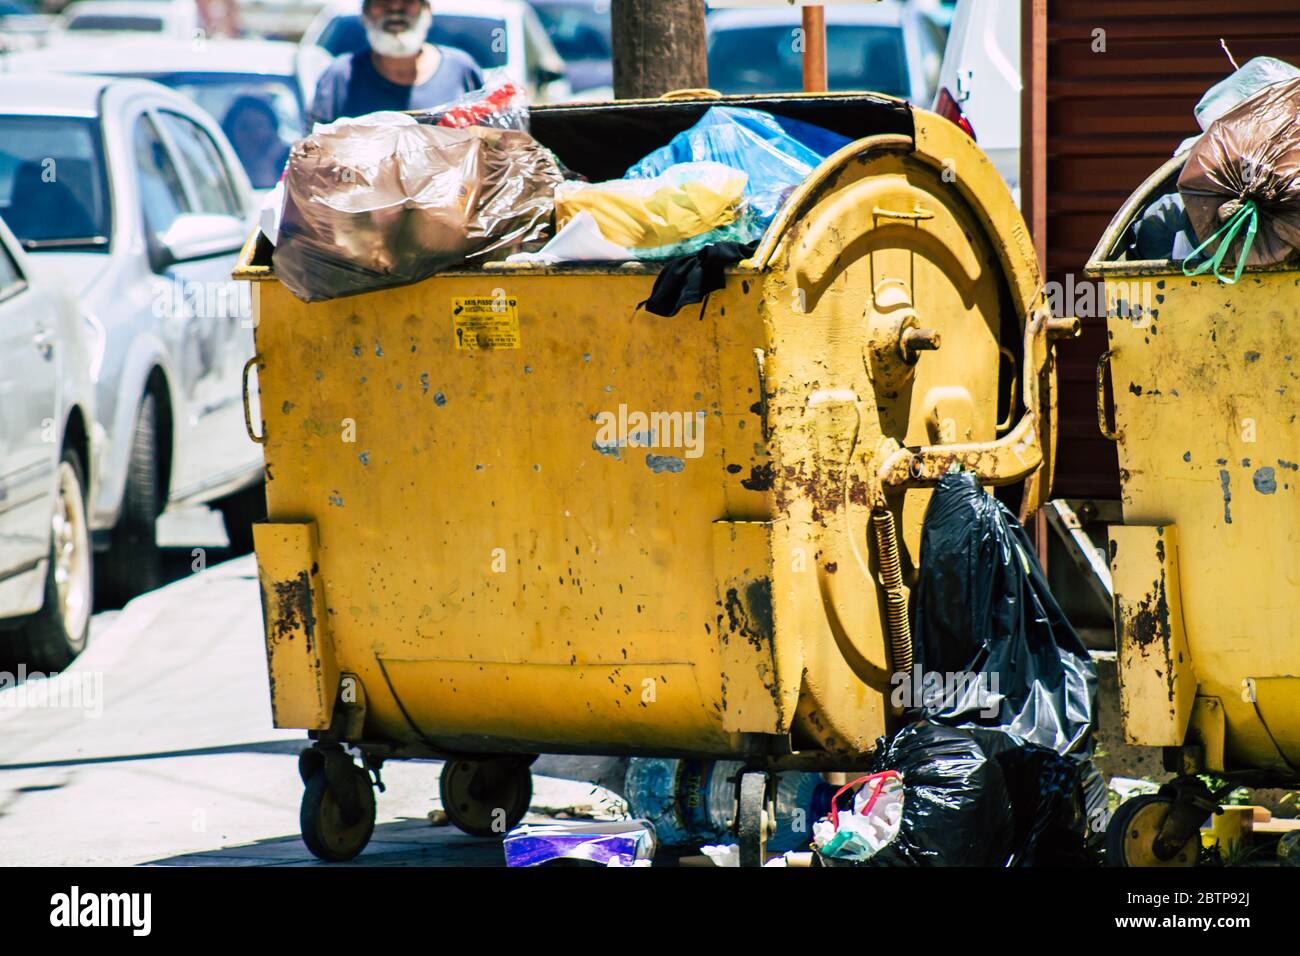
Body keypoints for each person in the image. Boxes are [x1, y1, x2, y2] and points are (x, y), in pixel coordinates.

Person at [308, 0, 484, 128]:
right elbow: (315, 156)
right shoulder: (340, 76)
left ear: (427, 10)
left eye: (408, 1)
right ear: (365, 12)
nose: (395, 8)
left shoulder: (461, 70)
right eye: (382, 1)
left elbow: (489, 146)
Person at [222, 95, 291, 189]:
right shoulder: (222, 170)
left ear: (272, 129)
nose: (253, 135)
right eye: (245, 127)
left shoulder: (292, 165)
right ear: (230, 133)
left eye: (259, 125)